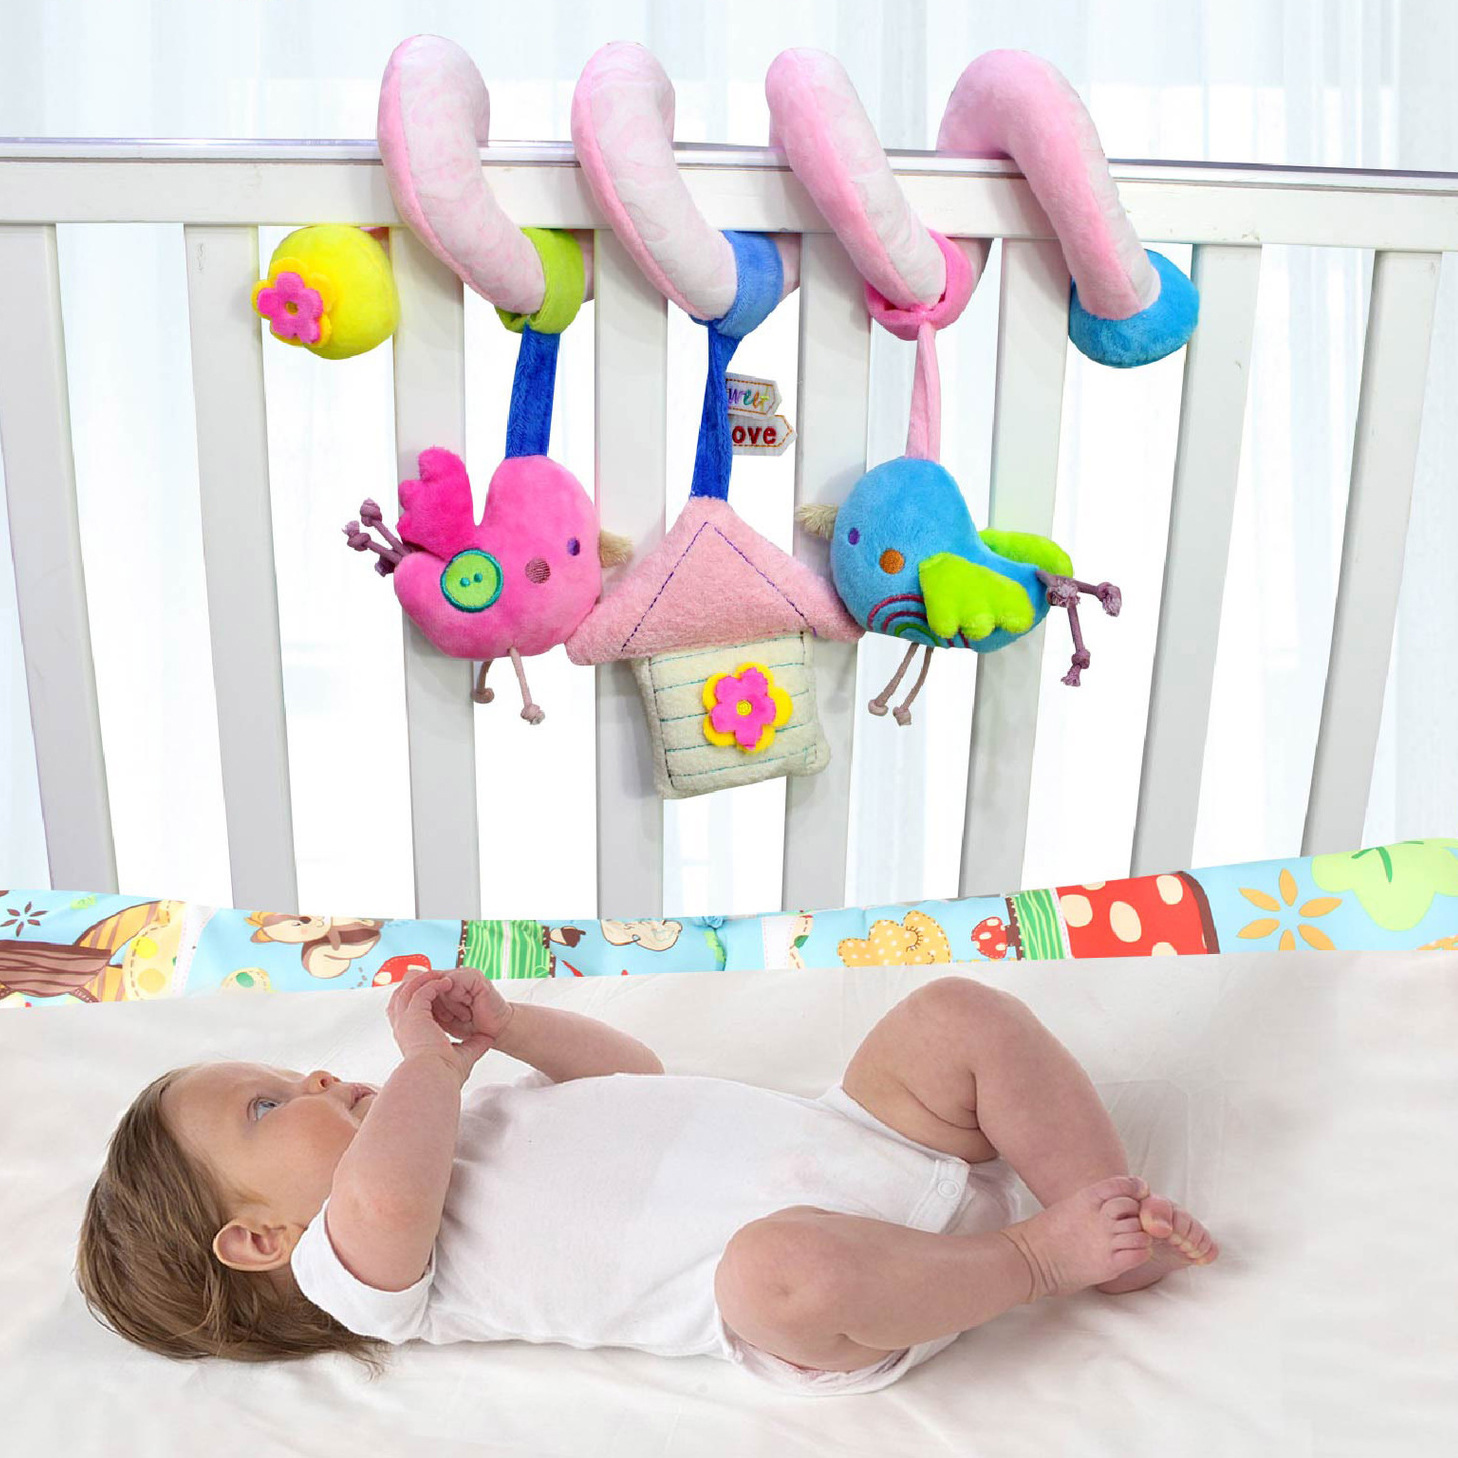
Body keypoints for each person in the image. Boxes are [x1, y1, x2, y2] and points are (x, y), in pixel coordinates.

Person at [77, 968, 1216, 1396]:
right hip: (848, 1286)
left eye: (290, 1071)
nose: (319, 1075)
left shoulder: (467, 1119)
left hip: (862, 1137)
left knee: (953, 1015)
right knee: (776, 1274)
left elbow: (631, 1077)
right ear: (260, 1239)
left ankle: (1110, 1207)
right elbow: (384, 1197)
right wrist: (426, 1066)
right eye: (270, 1105)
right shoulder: (358, 1270)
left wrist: (513, 1030)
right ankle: (1036, 1258)